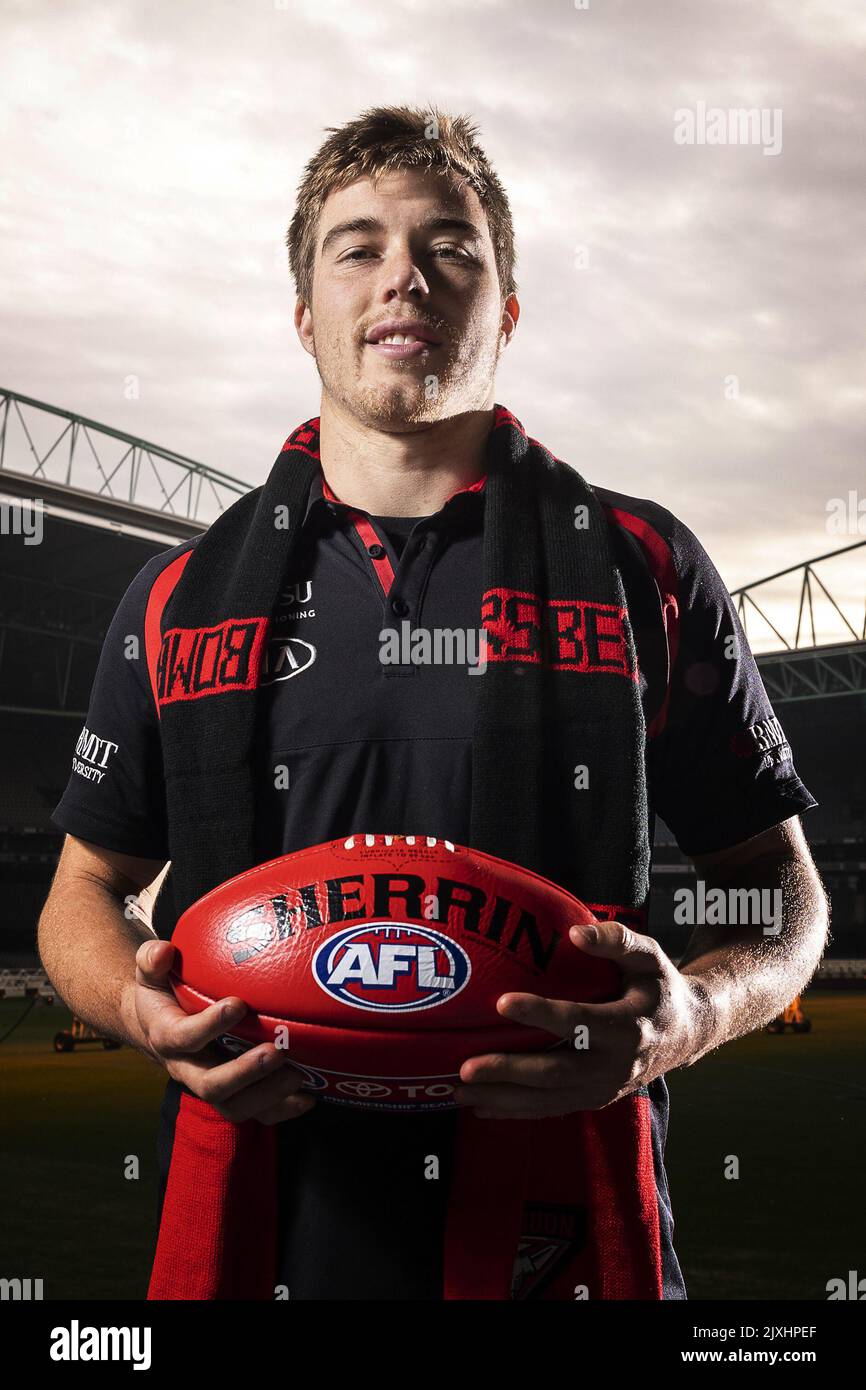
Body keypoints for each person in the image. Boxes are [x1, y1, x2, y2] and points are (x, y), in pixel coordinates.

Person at [40, 105, 828, 1301]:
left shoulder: (639, 564)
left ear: (503, 308)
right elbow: (83, 895)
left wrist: (689, 1015)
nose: (402, 272)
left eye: (448, 244)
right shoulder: (180, 594)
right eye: (356, 247)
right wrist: (141, 1012)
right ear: (305, 315)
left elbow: (782, 897)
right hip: (265, 1212)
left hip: (559, 1211)